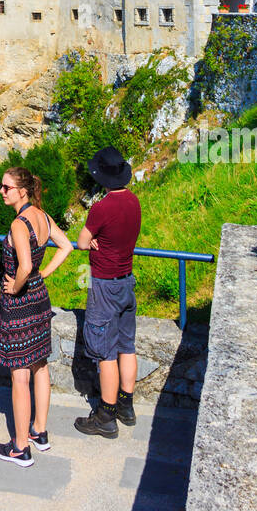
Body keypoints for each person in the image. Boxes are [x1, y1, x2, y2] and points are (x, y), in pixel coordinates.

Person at [0, 166, 74, 466]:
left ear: (22, 191)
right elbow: (66, 246)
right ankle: (39, 431)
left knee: (19, 373)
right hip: (40, 298)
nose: (2, 192)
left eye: (6, 187)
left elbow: (24, 266)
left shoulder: (19, 223)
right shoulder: (43, 216)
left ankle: (19, 447)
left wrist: (15, 287)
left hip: (21, 303)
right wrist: (44, 275)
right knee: (40, 365)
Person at [74, 146, 142, 439]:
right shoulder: (134, 202)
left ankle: (105, 415)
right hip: (127, 281)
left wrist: (92, 241)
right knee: (127, 345)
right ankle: (126, 406)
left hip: (104, 285)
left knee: (106, 354)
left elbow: (81, 241)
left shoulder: (100, 208)